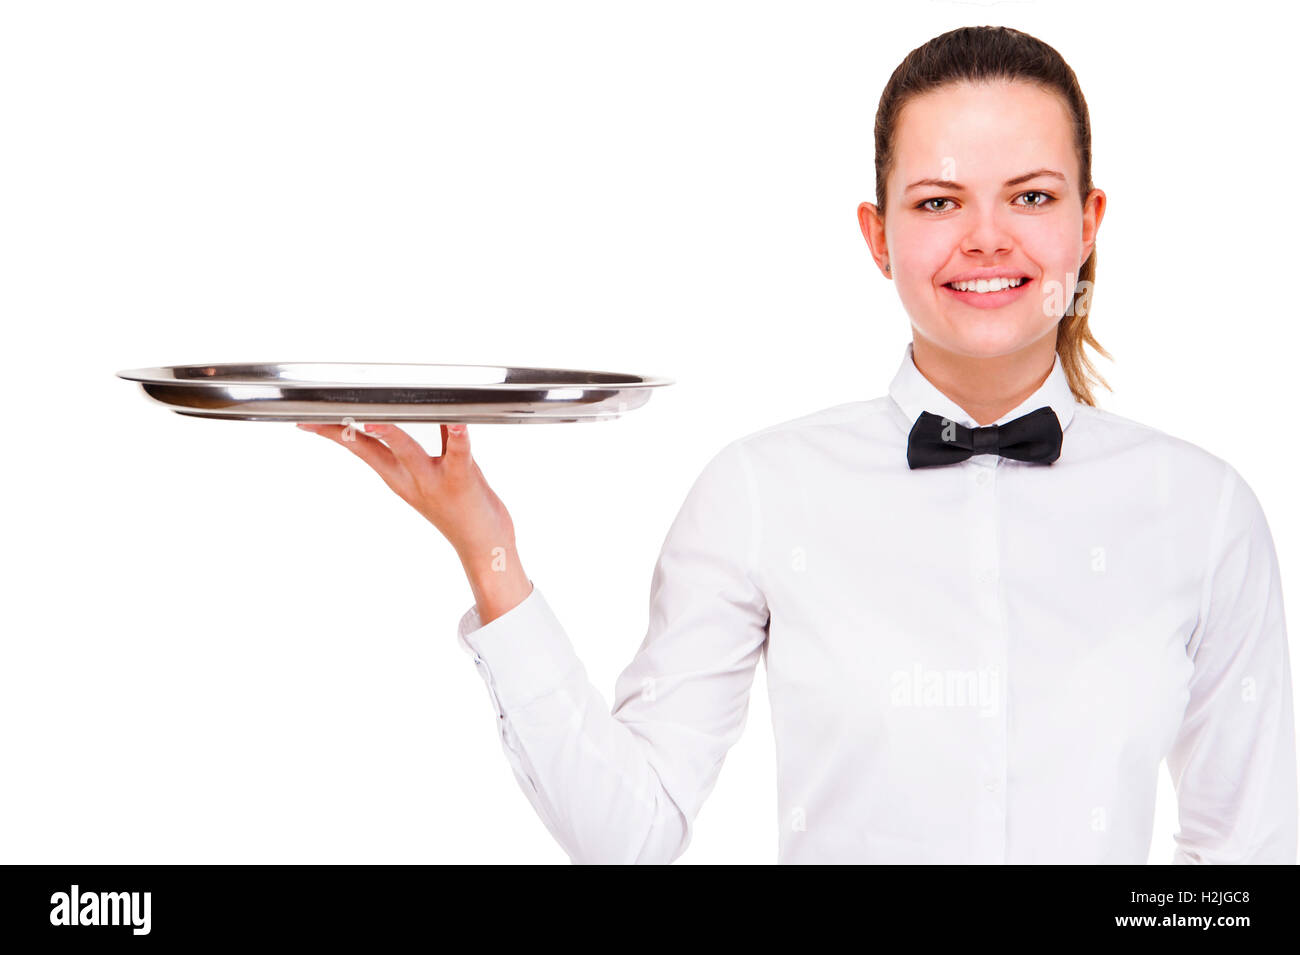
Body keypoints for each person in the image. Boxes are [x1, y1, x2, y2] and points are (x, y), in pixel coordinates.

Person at [296, 26, 1296, 864]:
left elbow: (1240, 862)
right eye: (938, 201)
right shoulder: (760, 491)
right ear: (877, 235)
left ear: (1088, 222)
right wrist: (487, 547)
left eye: (1030, 197)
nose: (987, 237)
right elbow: (629, 830)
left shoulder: (1202, 511)